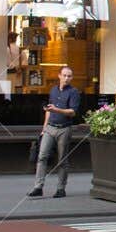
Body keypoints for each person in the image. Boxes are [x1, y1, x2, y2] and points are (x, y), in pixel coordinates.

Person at [26, 65, 80, 199]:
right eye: (65, 75)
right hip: (50, 127)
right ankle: (38, 187)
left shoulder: (74, 92)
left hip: (64, 128)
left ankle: (61, 188)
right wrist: (44, 128)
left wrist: (57, 110)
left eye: (69, 76)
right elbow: (49, 111)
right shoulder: (53, 90)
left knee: (62, 160)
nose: (67, 78)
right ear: (59, 76)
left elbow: (72, 112)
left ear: (71, 78)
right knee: (42, 156)